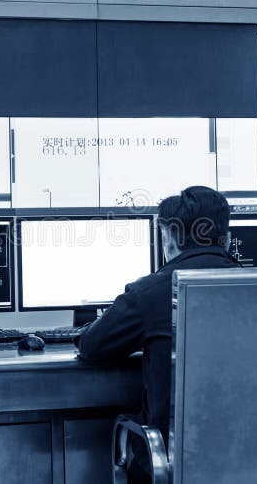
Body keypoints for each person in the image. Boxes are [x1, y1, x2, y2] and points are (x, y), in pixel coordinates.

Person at [76, 186, 241, 481]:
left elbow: (92, 346)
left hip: (171, 461)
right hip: (250, 457)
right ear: (226, 239)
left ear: (172, 239)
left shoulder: (149, 294)